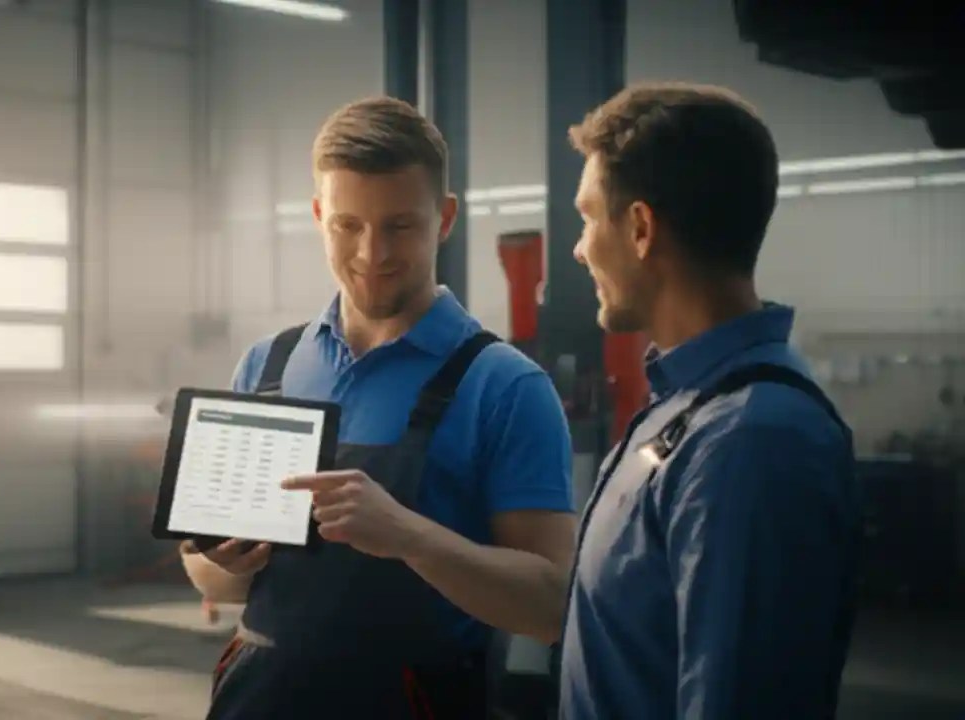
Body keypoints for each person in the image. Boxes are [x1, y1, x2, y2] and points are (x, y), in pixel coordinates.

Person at [181, 96, 577, 719]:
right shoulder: (266, 367)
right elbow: (217, 583)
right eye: (348, 225)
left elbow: (553, 605)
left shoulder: (506, 386)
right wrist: (220, 560)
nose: (372, 253)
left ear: (444, 218)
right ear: (319, 214)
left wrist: (408, 536)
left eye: (400, 226)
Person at [557, 82, 860, 719]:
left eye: (588, 217)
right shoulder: (688, 409)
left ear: (640, 228)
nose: (580, 249)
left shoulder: (749, 442)